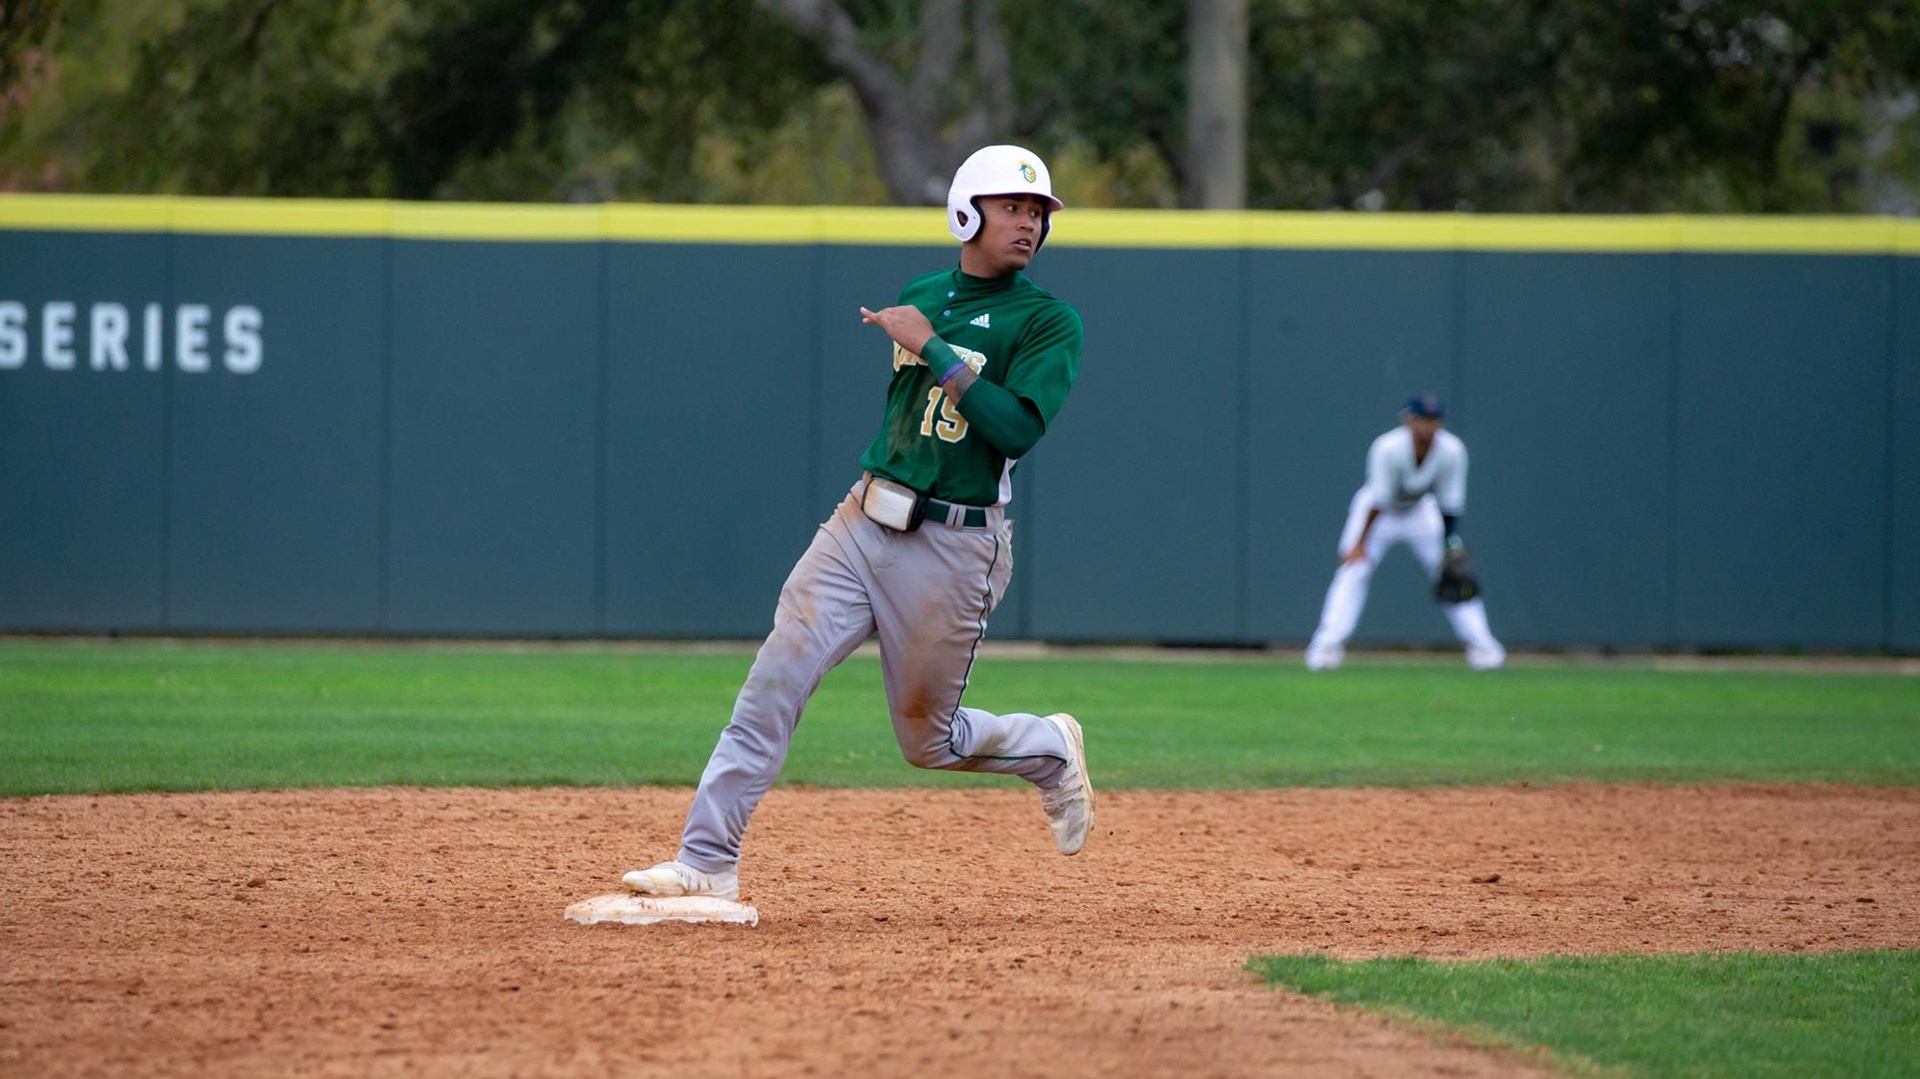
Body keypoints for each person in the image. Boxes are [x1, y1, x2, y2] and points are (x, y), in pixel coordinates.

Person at [622, 145, 1093, 903]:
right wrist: (924, 337)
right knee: (774, 678)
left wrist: (933, 347)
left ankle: (1047, 748)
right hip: (862, 521)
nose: (1030, 222)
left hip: (955, 543)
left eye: (1039, 212)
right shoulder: (922, 293)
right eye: (1013, 206)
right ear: (967, 210)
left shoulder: (1046, 321)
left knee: (928, 742)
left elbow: (1014, 429)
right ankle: (705, 860)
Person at [1303, 393, 1506, 671]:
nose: (1428, 426)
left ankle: (1485, 651)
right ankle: (1325, 650)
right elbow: (1379, 500)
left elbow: (1450, 505)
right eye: (1422, 419)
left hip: (1421, 512)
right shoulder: (1387, 447)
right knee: (1353, 570)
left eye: (1434, 420)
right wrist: (1359, 544)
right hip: (1376, 515)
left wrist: (1449, 547)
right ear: (1408, 421)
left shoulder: (1452, 451)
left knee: (1454, 576)